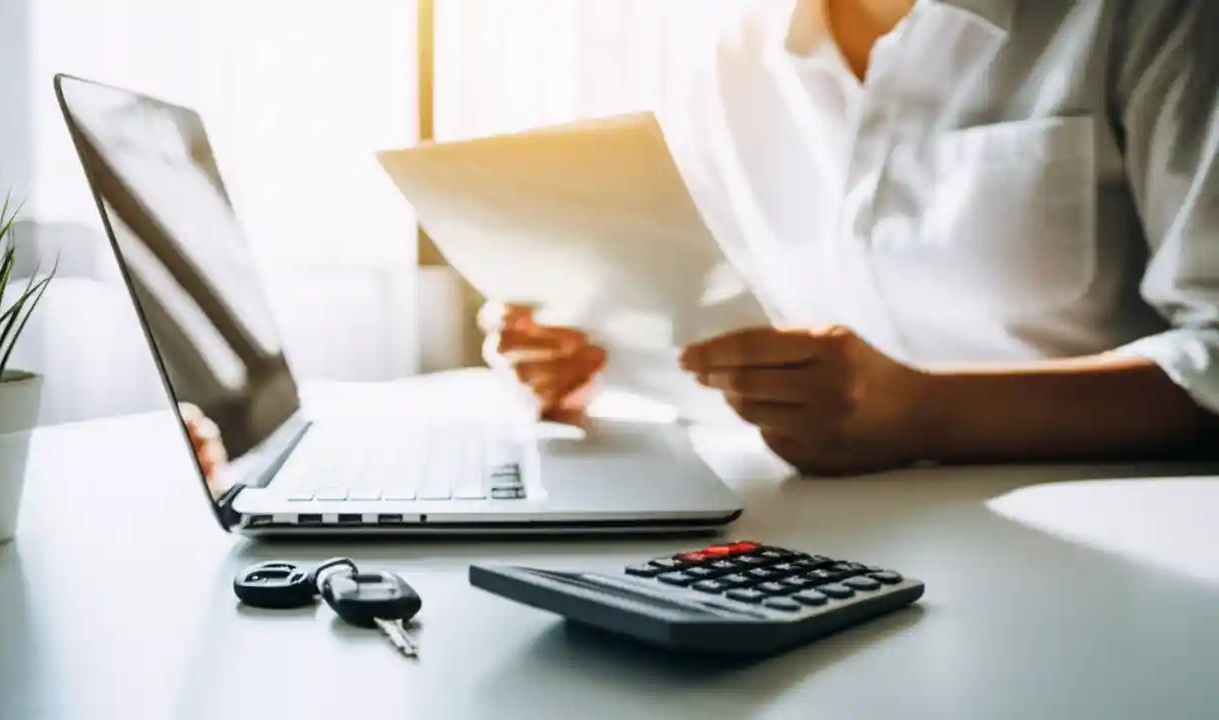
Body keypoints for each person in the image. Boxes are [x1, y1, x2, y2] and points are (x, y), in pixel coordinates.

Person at [485, 0, 1219, 475]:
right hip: (821, 546)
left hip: (1105, 532)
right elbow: (708, 312)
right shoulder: (729, 55)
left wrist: (926, 412)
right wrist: (592, 353)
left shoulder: (1150, 18)